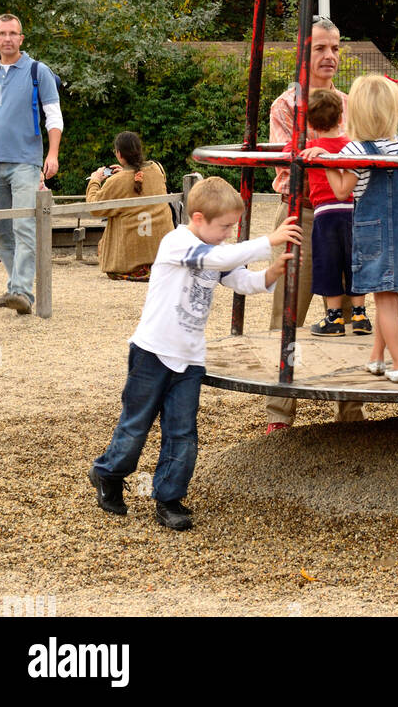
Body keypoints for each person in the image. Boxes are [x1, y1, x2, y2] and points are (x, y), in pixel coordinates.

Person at [89, 176, 299, 531]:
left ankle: (169, 497)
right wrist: (268, 241)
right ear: (198, 218)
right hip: (152, 353)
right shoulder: (178, 242)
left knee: (183, 431)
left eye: (233, 228)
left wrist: (271, 273)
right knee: (136, 425)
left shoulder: (216, 251)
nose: (229, 234)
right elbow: (218, 256)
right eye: (225, 227)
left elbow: (241, 280)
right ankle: (108, 472)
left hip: (189, 358)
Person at [265, 16, 366, 430]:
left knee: (348, 310)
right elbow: (286, 164)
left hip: (344, 214)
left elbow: (365, 153)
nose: (330, 56)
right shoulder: (288, 105)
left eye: (336, 48)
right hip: (302, 213)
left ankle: (351, 408)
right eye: (320, 48)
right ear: (302, 54)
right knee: (290, 307)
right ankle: (280, 410)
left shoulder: (347, 104)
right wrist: (336, 164)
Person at [304, 74, 398, 381]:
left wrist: (327, 164)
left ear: (357, 113)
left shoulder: (354, 151)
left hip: (373, 232)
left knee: (385, 302)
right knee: (386, 298)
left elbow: (341, 191)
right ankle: (376, 358)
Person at [0, 13, 62, 315]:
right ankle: (16, 288)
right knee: (0, 232)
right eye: (2, 33)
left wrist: (52, 155)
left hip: (26, 161)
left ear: (21, 38)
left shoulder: (38, 71)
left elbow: (54, 116)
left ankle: (22, 291)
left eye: (13, 33)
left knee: (24, 226)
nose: (8, 38)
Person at [304, 89, 370, 337]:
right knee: (355, 262)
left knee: (328, 263)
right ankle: (359, 314)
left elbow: (290, 151)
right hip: (353, 210)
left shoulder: (311, 148)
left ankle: (334, 318)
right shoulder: (351, 146)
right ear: (342, 117)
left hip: (325, 213)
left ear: (310, 123)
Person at [85, 131, 169, 281]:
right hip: (162, 254)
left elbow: (94, 207)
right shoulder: (157, 169)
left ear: (119, 153)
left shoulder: (117, 180)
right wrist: (125, 171)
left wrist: (95, 180)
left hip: (128, 261)